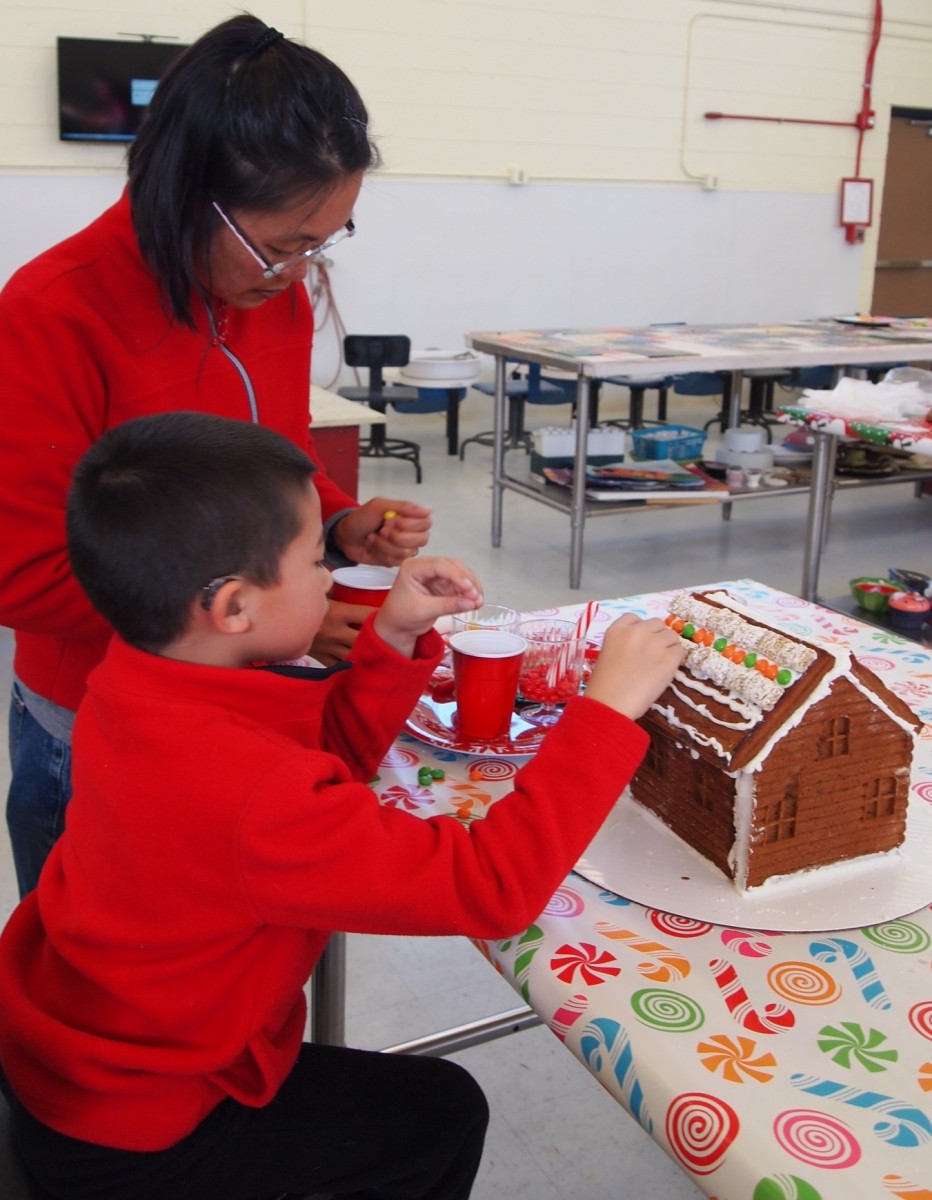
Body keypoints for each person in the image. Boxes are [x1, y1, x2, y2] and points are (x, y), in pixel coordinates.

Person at [0, 411, 685, 1200]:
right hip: (140, 1133)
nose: (332, 577)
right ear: (231, 607)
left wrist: (390, 637)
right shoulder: (236, 784)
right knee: (442, 1111)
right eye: (311, 560)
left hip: (88, 1057)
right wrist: (604, 716)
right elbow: (489, 887)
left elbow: (314, 764)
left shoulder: (137, 681)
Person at [0, 14, 431, 898]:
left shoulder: (274, 297)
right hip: (100, 723)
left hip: (245, 700)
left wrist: (341, 522)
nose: (300, 269)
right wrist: (279, 618)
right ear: (190, 194)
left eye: (322, 243)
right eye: (281, 245)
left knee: (228, 966)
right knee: (104, 995)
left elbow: (279, 458)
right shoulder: (53, 312)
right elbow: (23, 567)